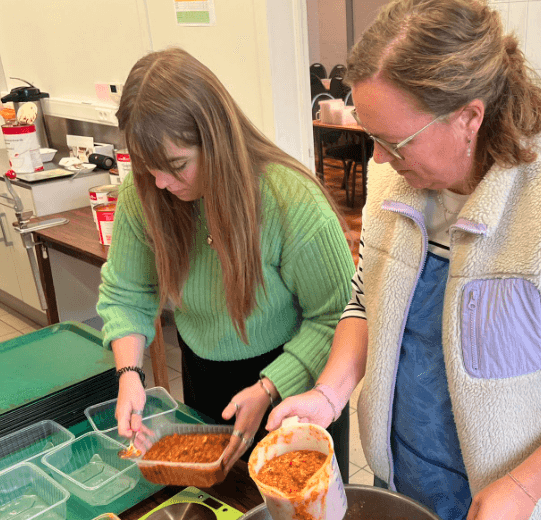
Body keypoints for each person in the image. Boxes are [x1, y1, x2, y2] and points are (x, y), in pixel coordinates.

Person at [267, 2, 541, 520]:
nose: (380, 159)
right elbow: (366, 301)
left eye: (395, 141)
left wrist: (525, 488)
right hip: (410, 475)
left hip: (529, 498)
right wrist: (328, 395)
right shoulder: (395, 182)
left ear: (469, 117)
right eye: (374, 137)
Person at [97, 47, 355, 469]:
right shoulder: (146, 193)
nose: (160, 183)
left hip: (297, 385)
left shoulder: (289, 200)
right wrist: (129, 376)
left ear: (215, 140)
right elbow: (127, 293)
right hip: (205, 379)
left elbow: (338, 317)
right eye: (147, 168)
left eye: (176, 165)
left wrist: (271, 387)